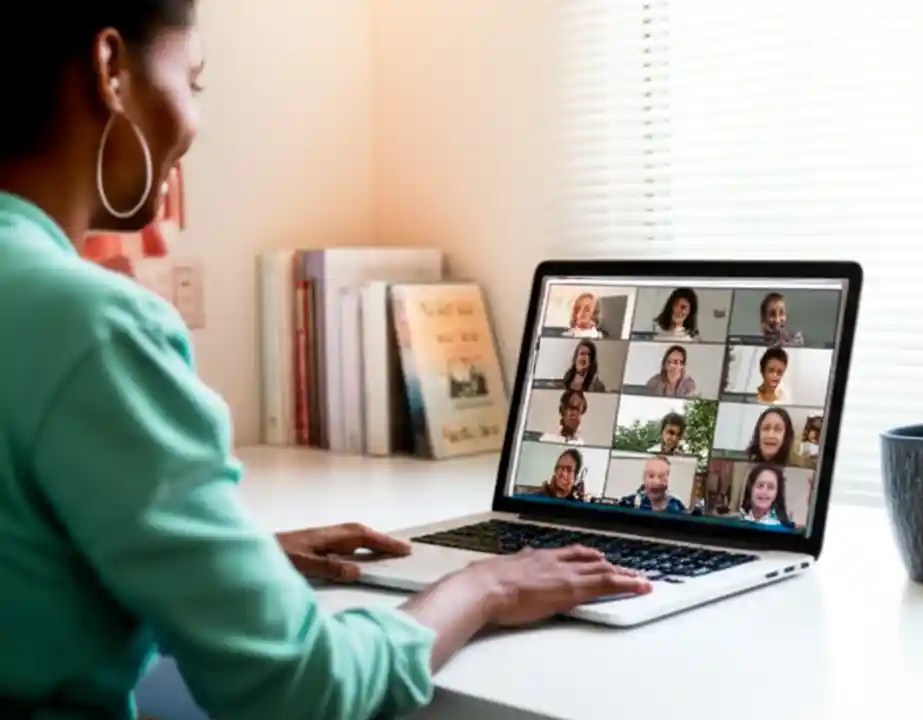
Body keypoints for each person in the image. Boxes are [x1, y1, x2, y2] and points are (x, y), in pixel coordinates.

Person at [0, 5, 649, 718]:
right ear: (110, 71)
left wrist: (223, 564)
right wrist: (484, 587)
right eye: (196, 80)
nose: (195, 122)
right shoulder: (91, 325)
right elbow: (307, 693)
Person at [617, 456, 688, 513]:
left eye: (661, 476)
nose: (656, 482)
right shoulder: (628, 503)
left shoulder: (677, 505)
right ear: (644, 477)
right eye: (651, 476)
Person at [522, 450, 587, 501]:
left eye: (569, 470)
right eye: (561, 468)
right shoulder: (536, 498)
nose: (563, 473)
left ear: (576, 476)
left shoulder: (578, 504)